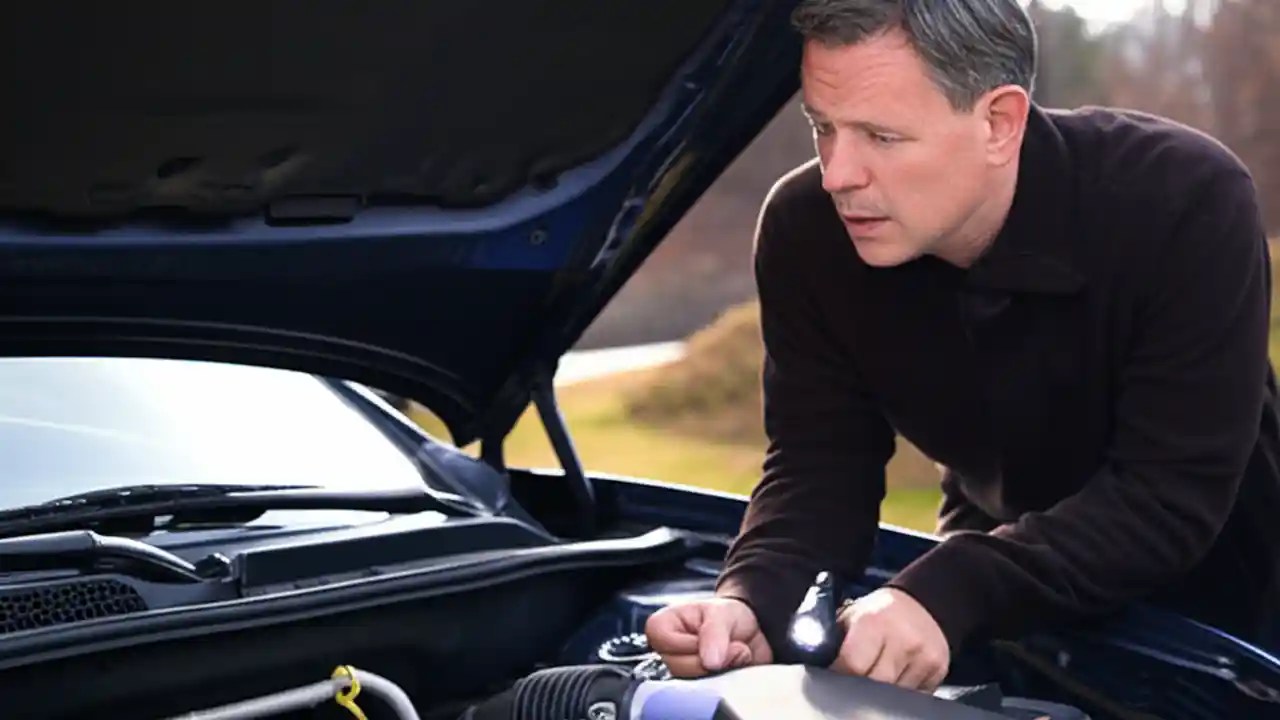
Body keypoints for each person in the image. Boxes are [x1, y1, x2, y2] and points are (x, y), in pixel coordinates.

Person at [644, 0, 1280, 693]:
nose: (837, 174)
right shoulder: (807, 235)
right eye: (822, 128)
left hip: (1239, 617)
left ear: (998, 122)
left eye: (881, 137)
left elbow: (1168, 494)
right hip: (1005, 595)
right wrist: (751, 600)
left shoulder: (1184, 201)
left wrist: (949, 591)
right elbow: (818, 462)